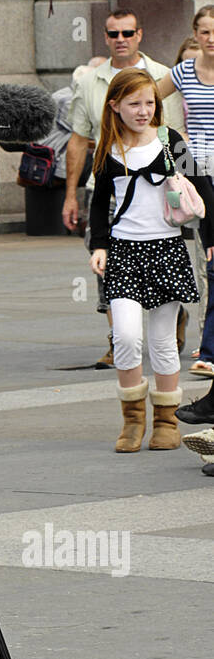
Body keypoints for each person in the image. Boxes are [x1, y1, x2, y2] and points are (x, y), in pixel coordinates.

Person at [88, 69, 214, 453]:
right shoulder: (108, 146)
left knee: (162, 340)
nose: (143, 111)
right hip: (124, 250)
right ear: (115, 106)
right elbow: (98, 204)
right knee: (125, 334)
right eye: (134, 104)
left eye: (149, 103)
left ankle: (165, 421)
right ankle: (132, 420)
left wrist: (211, 241)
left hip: (167, 248)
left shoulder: (169, 140)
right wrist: (98, 246)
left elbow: (204, 188)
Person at [62, 7, 185, 368]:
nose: (121, 40)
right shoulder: (89, 80)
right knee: (106, 269)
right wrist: (70, 194)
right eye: (113, 34)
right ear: (105, 37)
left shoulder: (164, 75)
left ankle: (169, 330)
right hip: (106, 181)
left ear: (139, 35)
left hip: (162, 195)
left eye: (127, 33)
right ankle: (119, 341)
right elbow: (78, 138)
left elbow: (172, 136)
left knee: (162, 319)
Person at [160, 7, 214, 381]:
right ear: (196, 34)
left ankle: (209, 348)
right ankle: (208, 349)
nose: (212, 38)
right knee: (209, 261)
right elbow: (146, 96)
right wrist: (174, 149)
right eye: (205, 32)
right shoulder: (183, 71)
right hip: (199, 174)